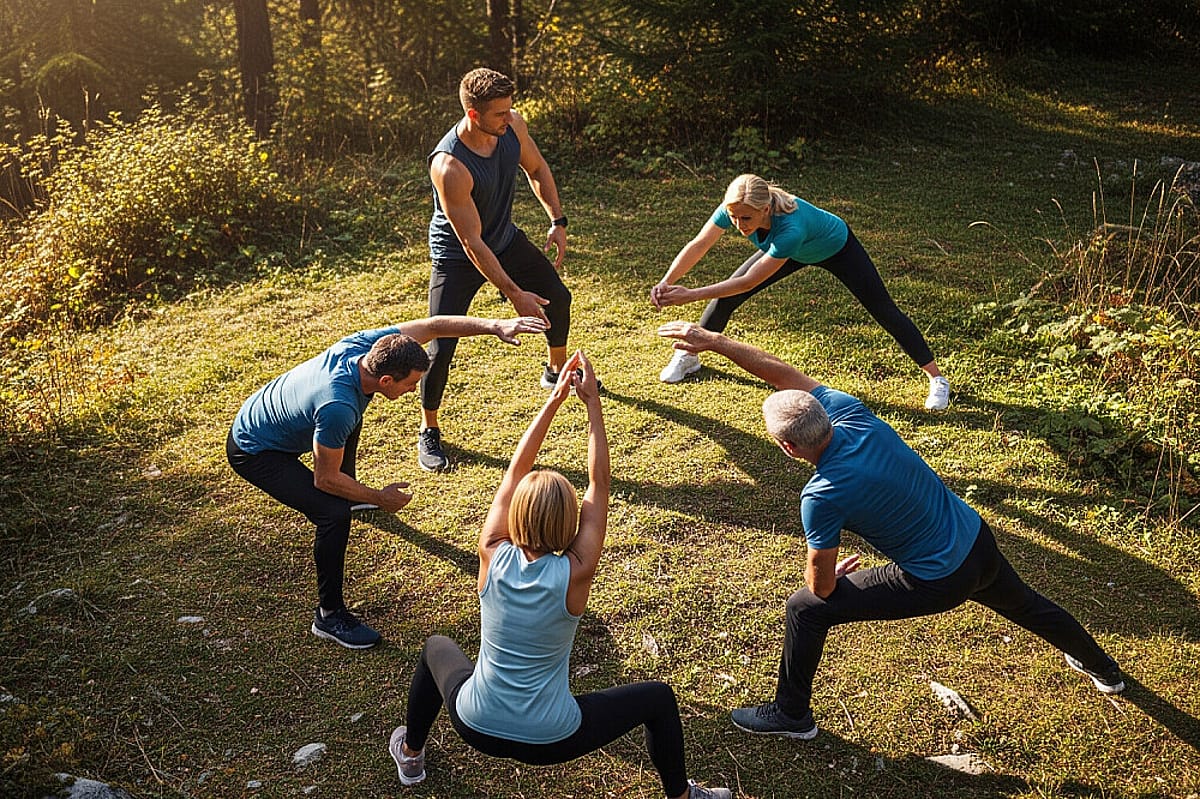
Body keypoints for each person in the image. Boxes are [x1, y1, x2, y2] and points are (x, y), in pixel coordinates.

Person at [656, 320, 1125, 740]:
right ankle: (1105, 670)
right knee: (1027, 605)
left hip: (937, 579)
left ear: (788, 448)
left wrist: (829, 577)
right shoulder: (851, 413)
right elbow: (783, 373)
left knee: (804, 608)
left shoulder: (821, 496)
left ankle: (791, 714)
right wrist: (714, 341)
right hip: (976, 540)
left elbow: (821, 588)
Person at [387, 351, 730, 799]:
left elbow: (515, 473)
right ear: (571, 520)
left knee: (437, 647)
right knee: (659, 699)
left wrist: (552, 402)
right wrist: (592, 404)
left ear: (516, 514)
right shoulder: (576, 570)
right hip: (551, 740)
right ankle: (682, 796)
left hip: (475, 724)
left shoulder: (491, 551)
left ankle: (410, 753)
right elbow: (599, 484)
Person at [227, 315, 546, 650]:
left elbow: (433, 327)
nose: (412, 390)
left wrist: (494, 326)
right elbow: (325, 478)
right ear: (386, 380)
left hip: (274, 418)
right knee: (333, 513)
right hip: (255, 450)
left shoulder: (366, 348)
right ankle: (329, 616)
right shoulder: (338, 405)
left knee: (347, 429)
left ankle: (351, 496)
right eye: (410, 384)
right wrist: (381, 497)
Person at [650, 173, 951, 411]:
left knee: (883, 309)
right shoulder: (736, 206)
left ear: (765, 209)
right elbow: (700, 243)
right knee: (725, 299)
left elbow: (748, 282)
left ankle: (937, 378)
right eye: (734, 218)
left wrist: (690, 294)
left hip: (836, 248)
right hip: (792, 251)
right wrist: (667, 281)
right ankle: (690, 356)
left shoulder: (790, 229)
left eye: (746, 219)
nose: (739, 225)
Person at [420, 66, 577, 473]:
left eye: (510, 109)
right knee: (441, 346)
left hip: (503, 239)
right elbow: (472, 243)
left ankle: (555, 370)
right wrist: (514, 293)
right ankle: (429, 429)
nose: (509, 118)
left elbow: (537, 169)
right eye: (500, 114)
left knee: (558, 298)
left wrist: (557, 220)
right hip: (458, 256)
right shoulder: (450, 166)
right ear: (474, 115)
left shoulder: (512, 126)